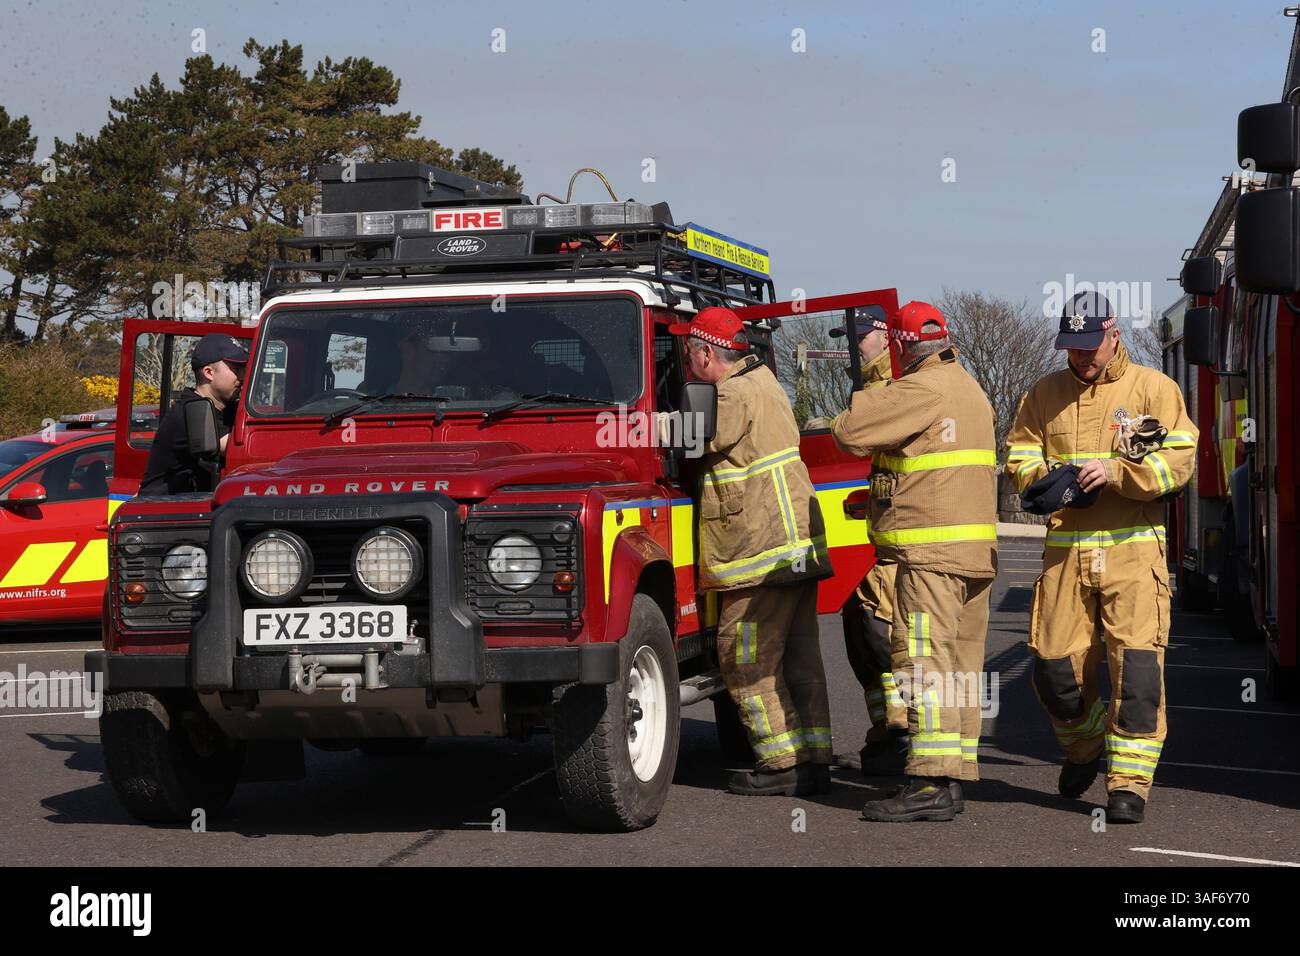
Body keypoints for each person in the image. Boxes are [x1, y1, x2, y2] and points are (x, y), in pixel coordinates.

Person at [1005, 291, 1198, 824]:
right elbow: (1020, 452)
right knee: (1053, 673)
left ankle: (1129, 784)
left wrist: (1117, 473)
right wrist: (1046, 481)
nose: (1083, 358)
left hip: (1133, 554)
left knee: (1136, 675)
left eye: (1091, 347)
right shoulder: (1044, 394)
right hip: (1066, 555)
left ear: (1114, 334)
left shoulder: (1154, 389)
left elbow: (1179, 463)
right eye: (1073, 349)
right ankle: (1085, 750)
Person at [832, 301, 998, 821]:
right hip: (973, 556)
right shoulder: (970, 388)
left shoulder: (921, 388)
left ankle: (927, 784)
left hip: (929, 556)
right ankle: (951, 778)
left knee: (922, 663)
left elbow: (849, 430)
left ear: (902, 346)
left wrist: (875, 374)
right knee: (958, 669)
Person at [670, 307, 835, 796]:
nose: (687, 366)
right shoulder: (766, 383)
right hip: (795, 550)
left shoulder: (731, 395)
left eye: (687, 356)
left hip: (756, 554)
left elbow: (687, 440)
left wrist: (633, 423)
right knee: (800, 660)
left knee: (745, 658)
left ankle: (781, 763)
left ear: (704, 352)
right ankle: (815, 759)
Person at [825, 309, 910, 774]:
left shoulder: (893, 387)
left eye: (860, 336)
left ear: (884, 336)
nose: (853, 344)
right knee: (860, 634)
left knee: (883, 634)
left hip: (902, 539)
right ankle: (884, 731)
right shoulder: (866, 386)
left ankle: (903, 731)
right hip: (877, 530)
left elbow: (853, 437)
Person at [139, 334, 248, 496]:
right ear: (209, 373)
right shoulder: (187, 411)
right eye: (236, 369)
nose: (242, 376)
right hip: (164, 512)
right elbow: (238, 445)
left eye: (244, 368)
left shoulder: (231, 409)